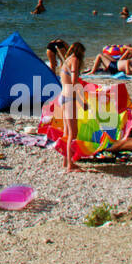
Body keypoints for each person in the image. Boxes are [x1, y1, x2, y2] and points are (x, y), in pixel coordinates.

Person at [57, 42, 85, 172]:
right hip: (70, 97)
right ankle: (70, 165)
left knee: (66, 132)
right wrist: (81, 100)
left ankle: (65, 160)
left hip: (62, 96)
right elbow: (74, 81)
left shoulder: (66, 60)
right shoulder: (74, 60)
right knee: (73, 133)